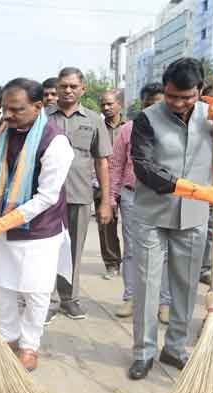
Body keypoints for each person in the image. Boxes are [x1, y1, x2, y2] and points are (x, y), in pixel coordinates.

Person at [126, 58, 213, 380]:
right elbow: (144, 167)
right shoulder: (146, 119)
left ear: (200, 91)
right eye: (172, 96)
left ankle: (175, 348)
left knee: (186, 286)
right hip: (152, 213)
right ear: (164, 90)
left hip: (193, 217)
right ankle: (144, 352)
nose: (178, 103)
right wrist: (193, 190)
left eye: (186, 97)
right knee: (148, 286)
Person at [0, 77, 73, 371]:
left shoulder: (55, 142)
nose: (7, 116)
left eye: (16, 110)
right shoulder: (2, 128)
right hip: (2, 222)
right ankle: (7, 337)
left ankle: (29, 345)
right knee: (3, 285)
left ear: (38, 106)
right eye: (5, 109)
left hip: (40, 230)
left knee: (36, 292)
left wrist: (1, 223)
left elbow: (47, 196)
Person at [46, 67, 112, 322]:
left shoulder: (94, 120)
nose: (68, 90)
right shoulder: (44, 117)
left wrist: (106, 201)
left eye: (73, 86)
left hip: (80, 195)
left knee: (75, 249)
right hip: (47, 196)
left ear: (83, 89)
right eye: (64, 86)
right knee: (48, 247)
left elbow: (102, 162)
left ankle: (69, 299)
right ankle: (47, 299)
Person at [105, 82, 171, 321]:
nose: (154, 109)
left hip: (166, 198)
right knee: (132, 250)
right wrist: (111, 198)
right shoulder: (128, 130)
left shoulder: (176, 131)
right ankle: (131, 297)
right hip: (133, 196)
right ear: (142, 105)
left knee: (165, 251)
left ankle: (165, 302)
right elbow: (116, 165)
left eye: (159, 104)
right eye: (149, 104)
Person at [96, 89, 125, 280]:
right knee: (106, 225)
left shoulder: (132, 125)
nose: (106, 108)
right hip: (103, 182)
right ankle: (112, 264)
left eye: (110, 104)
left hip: (128, 182)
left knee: (133, 227)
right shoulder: (96, 126)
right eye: (103, 104)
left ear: (119, 104)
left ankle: (132, 263)